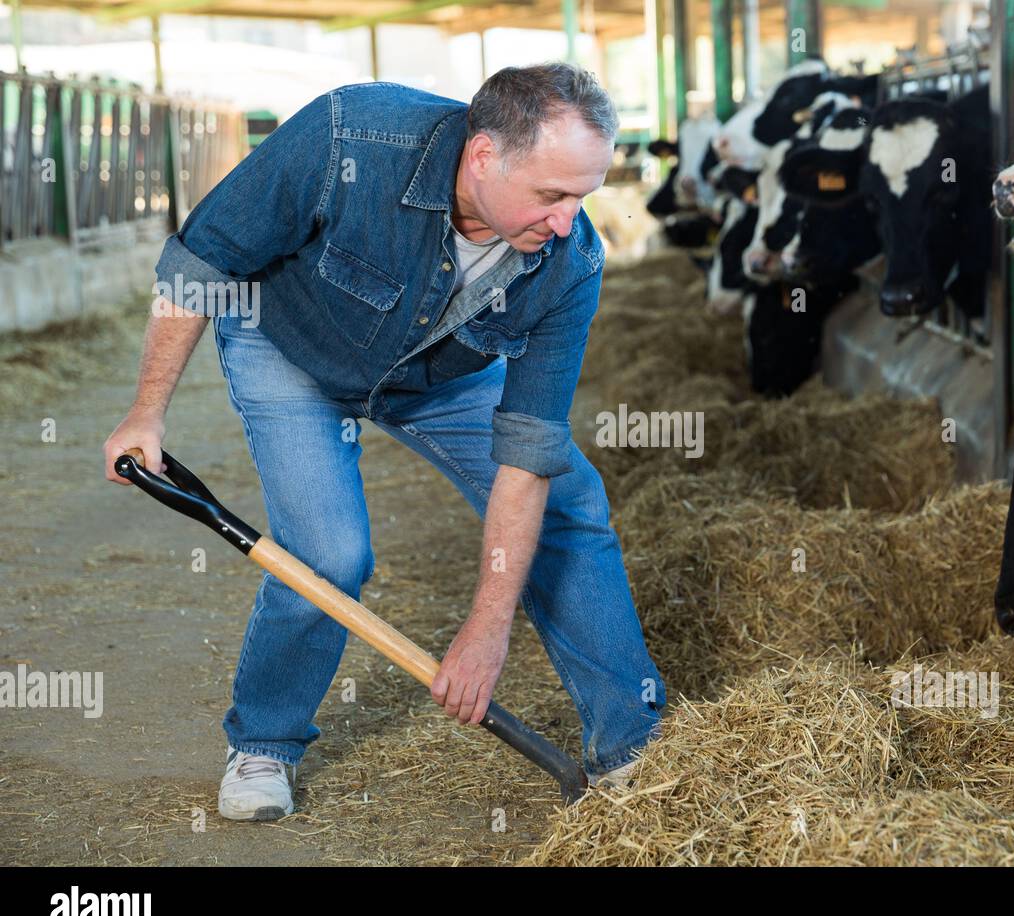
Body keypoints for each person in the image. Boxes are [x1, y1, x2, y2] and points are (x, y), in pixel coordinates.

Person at [102, 63, 665, 821]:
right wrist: (147, 412)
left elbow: (528, 454)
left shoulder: (571, 262)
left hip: (437, 371)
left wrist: (487, 630)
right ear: (482, 157)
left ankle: (635, 750)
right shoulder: (349, 136)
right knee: (328, 554)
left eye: (584, 197)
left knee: (569, 500)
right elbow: (206, 259)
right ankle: (265, 741)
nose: (568, 221)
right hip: (289, 346)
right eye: (552, 195)